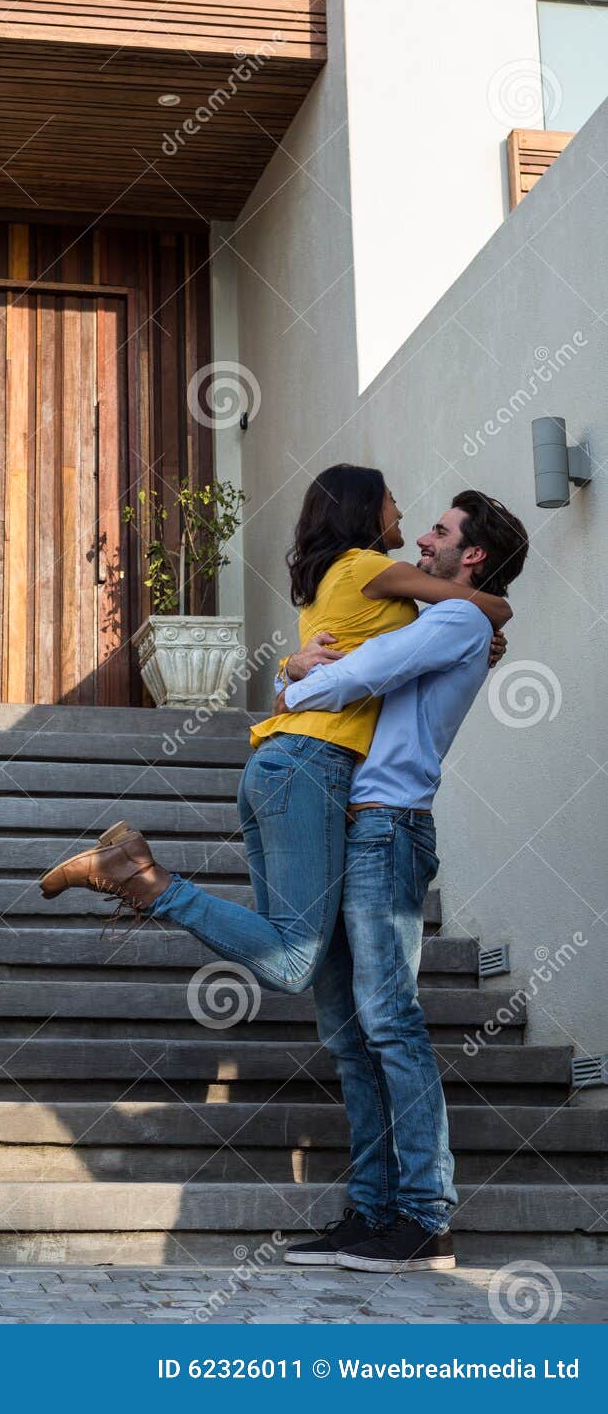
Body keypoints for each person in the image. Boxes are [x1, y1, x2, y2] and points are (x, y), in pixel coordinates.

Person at [39, 465, 510, 996]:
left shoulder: (332, 576)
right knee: (290, 959)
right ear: (363, 510)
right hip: (313, 762)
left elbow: (368, 653)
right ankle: (143, 880)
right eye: (392, 500)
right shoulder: (369, 566)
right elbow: (484, 607)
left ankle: (141, 877)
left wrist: (289, 669)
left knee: (288, 944)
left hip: (281, 763)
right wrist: (494, 622)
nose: (402, 514)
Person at [279, 490, 530, 1273]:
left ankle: (423, 1218)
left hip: (388, 826)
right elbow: (357, 660)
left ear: (473, 555)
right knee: (352, 1035)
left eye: (441, 531)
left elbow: (345, 681)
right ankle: (373, 1211)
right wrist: (298, 663)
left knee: (388, 1021)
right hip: (358, 820)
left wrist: (292, 682)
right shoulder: (445, 618)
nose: (422, 539)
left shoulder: (454, 620)